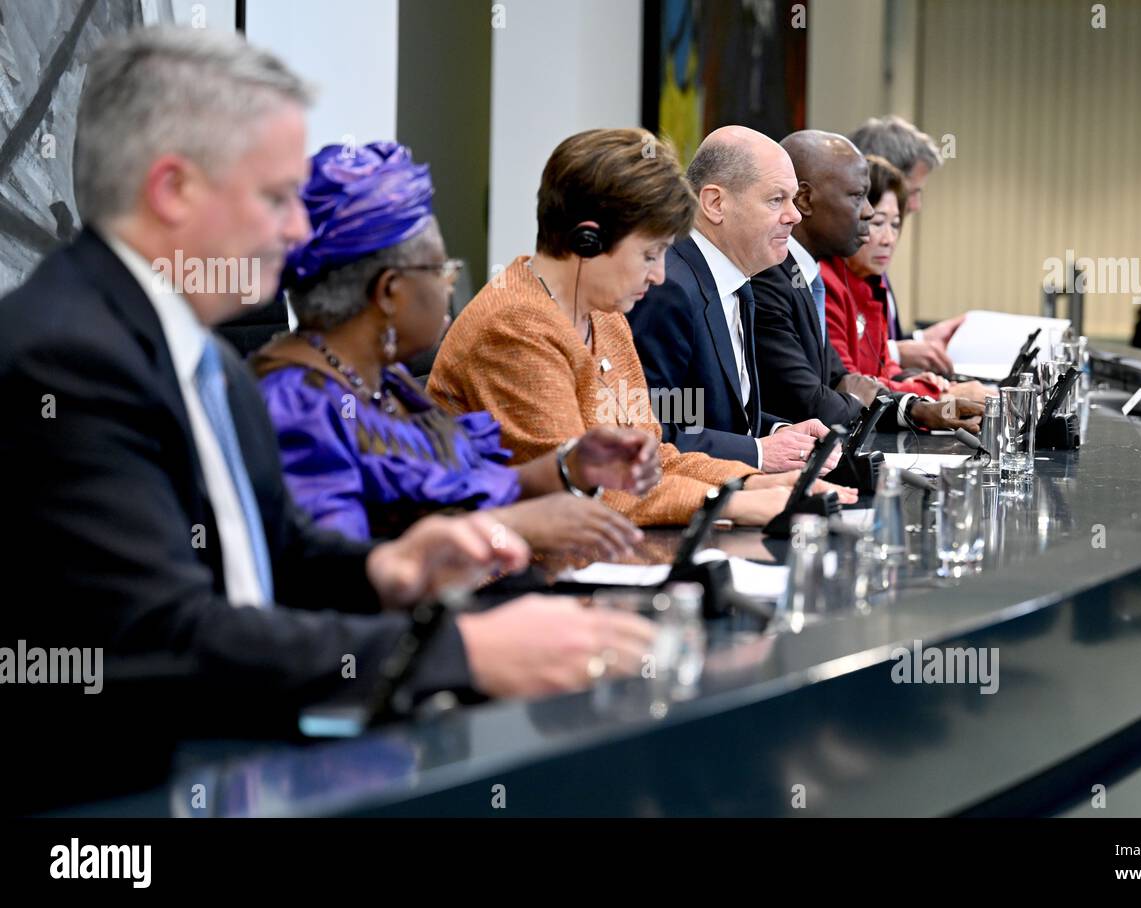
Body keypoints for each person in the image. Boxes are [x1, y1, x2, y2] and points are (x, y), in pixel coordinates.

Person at [0, 28, 654, 811]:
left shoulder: (206, 363)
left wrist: (385, 570)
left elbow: (273, 552)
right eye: (275, 197)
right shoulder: (69, 358)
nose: (298, 232)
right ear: (174, 190)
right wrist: (461, 651)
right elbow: (160, 636)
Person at [429, 128, 856, 527]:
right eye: (650, 255)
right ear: (587, 241)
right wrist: (731, 501)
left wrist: (750, 481)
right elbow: (577, 493)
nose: (657, 276)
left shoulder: (604, 314)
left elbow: (653, 456)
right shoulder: (516, 327)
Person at [255, 140, 656, 562]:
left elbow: (467, 488)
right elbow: (342, 573)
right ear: (390, 292)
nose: (449, 288)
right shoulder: (298, 405)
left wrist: (571, 466)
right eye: (441, 270)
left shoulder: (385, 385)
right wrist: (513, 528)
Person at [627, 126, 842, 475]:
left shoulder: (735, 277)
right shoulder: (669, 288)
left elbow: (721, 416)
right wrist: (758, 452)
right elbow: (655, 433)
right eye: (776, 200)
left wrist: (779, 432)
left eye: (792, 199)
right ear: (715, 203)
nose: (795, 215)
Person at [751, 130, 982, 434]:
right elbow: (813, 405)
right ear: (805, 200)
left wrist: (919, 409)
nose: (868, 212)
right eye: (857, 197)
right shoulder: (770, 278)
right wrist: (855, 395)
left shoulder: (804, 277)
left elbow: (836, 379)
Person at [824, 155, 992, 401]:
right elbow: (849, 383)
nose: (889, 239)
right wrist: (940, 394)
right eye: (878, 222)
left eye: (895, 225)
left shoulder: (872, 281)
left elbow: (884, 366)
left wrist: (920, 381)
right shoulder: (828, 281)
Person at [850, 115, 964, 375]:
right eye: (912, 191)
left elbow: (880, 340)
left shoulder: (874, 256)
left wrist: (921, 340)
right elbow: (847, 364)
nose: (915, 205)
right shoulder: (841, 270)